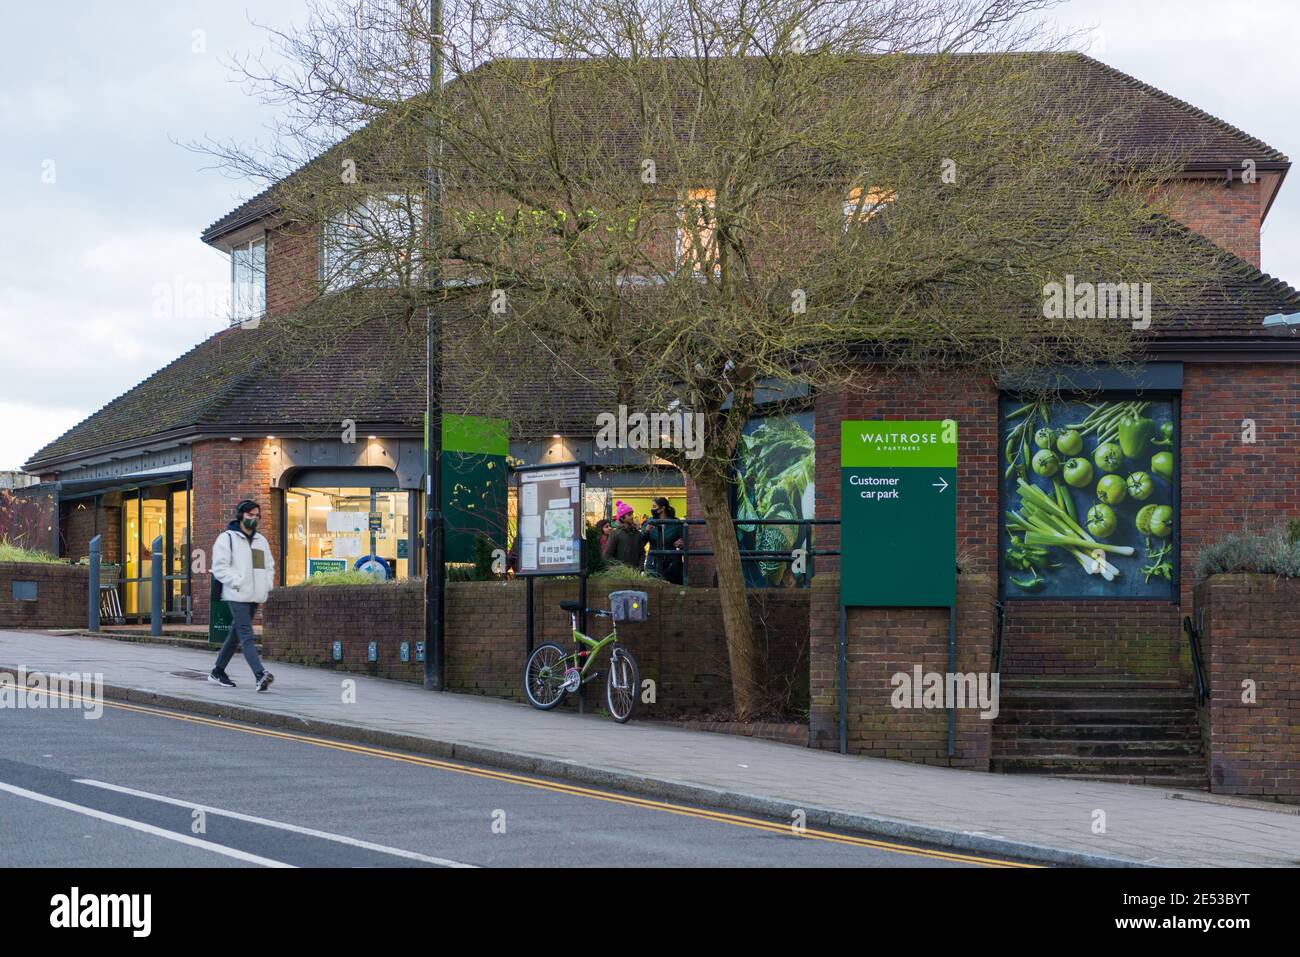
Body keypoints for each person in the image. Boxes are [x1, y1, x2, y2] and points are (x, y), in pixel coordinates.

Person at [209, 500, 276, 692]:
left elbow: (268, 565)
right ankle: (260, 674)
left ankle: (218, 671)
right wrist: (237, 581)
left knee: (235, 635)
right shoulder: (226, 538)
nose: (253, 519)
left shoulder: (260, 541)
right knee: (247, 635)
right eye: (250, 515)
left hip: (255, 595)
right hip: (236, 594)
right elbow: (219, 568)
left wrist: (267, 584)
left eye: (256, 516)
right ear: (240, 515)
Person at [642, 497, 685, 584]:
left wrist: (682, 543)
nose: (652, 509)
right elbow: (641, 543)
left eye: (654, 506)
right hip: (653, 562)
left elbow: (684, 542)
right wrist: (646, 531)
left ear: (662, 508)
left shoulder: (676, 522)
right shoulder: (649, 522)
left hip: (672, 562)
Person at [603, 500, 646, 569]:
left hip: (636, 575)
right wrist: (619, 568)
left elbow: (642, 553)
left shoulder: (637, 533)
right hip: (620, 576)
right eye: (629, 514)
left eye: (632, 514)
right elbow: (607, 556)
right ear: (622, 518)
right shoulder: (615, 534)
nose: (632, 516)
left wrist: (640, 568)